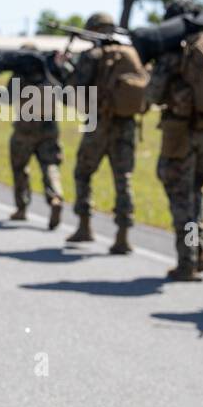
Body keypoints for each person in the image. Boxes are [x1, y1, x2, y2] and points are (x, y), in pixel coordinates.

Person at [146, 0, 203, 281]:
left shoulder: (175, 54)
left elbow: (153, 94)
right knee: (196, 193)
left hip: (180, 135)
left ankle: (187, 262)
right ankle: (200, 251)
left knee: (180, 199)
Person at [59, 13, 139, 254]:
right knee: (123, 178)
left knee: (83, 173)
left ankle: (85, 227)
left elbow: (71, 93)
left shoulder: (91, 56)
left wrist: (64, 67)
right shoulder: (132, 53)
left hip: (98, 124)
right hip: (126, 124)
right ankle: (123, 236)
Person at [0, 43, 64, 228]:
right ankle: (55, 198)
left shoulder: (19, 76)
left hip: (24, 127)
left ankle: (21, 208)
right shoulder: (49, 72)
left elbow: (7, 99)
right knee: (50, 165)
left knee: (20, 168)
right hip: (49, 126)